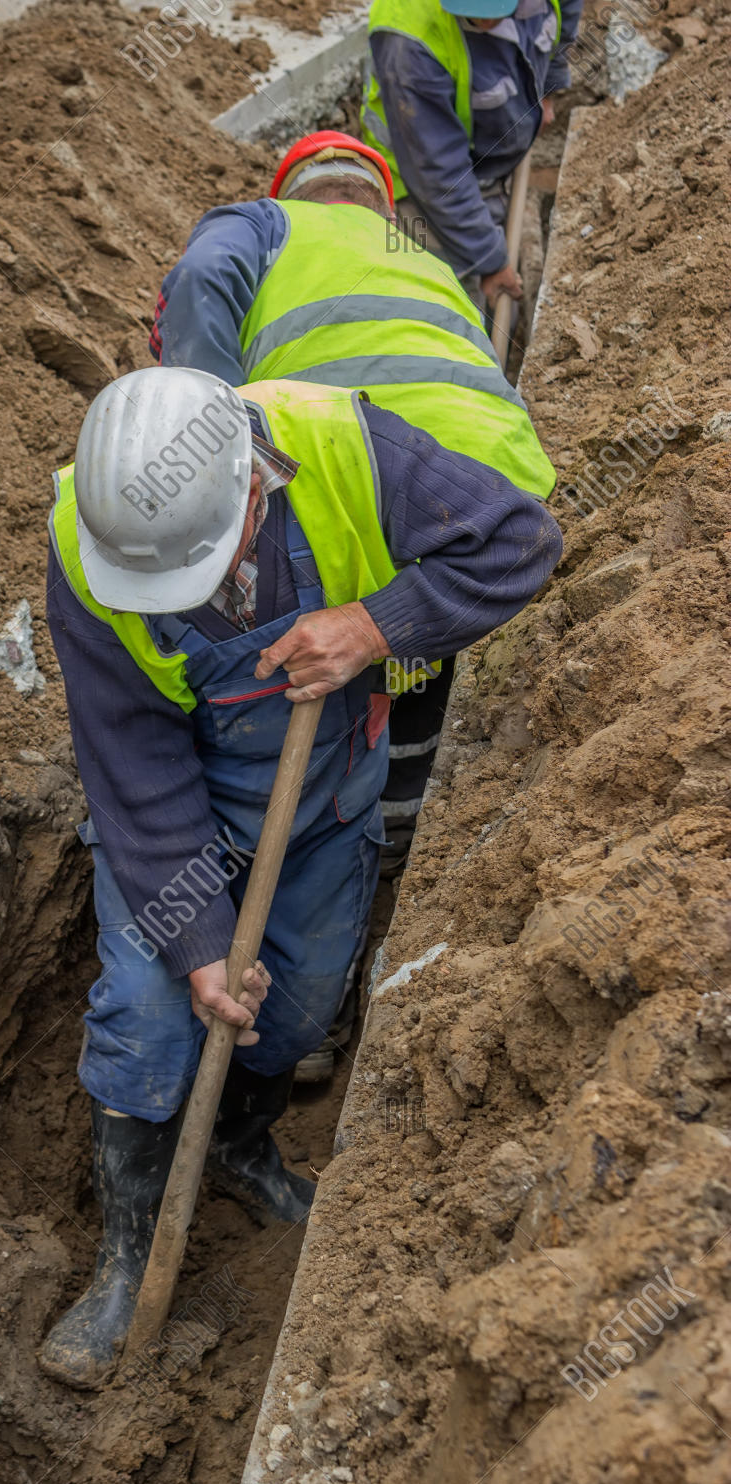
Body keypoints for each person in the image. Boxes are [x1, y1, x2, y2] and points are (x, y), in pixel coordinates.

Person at [40, 365, 562, 1387]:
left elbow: (518, 542)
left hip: (319, 804)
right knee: (146, 1021)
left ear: (249, 487)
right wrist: (197, 948)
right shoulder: (85, 545)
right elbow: (134, 768)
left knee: (302, 1001)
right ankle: (129, 1254)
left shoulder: (346, 449)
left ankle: (239, 1147)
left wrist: (377, 625)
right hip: (180, 827)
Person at [148, 127, 555, 1072]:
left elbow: (201, 278)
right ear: (379, 201)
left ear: (289, 189)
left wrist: (202, 432)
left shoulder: (260, 226)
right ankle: (387, 884)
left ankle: (329, 978)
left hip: (351, 478)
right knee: (411, 674)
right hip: (485, 496)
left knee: (345, 689)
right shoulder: (423, 262)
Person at [361, 0, 583, 304]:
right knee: (453, 301)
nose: (484, 22)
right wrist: (491, 260)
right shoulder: (408, 38)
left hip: (485, 158)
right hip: (417, 180)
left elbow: (565, 10)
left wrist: (547, 88)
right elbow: (437, 172)